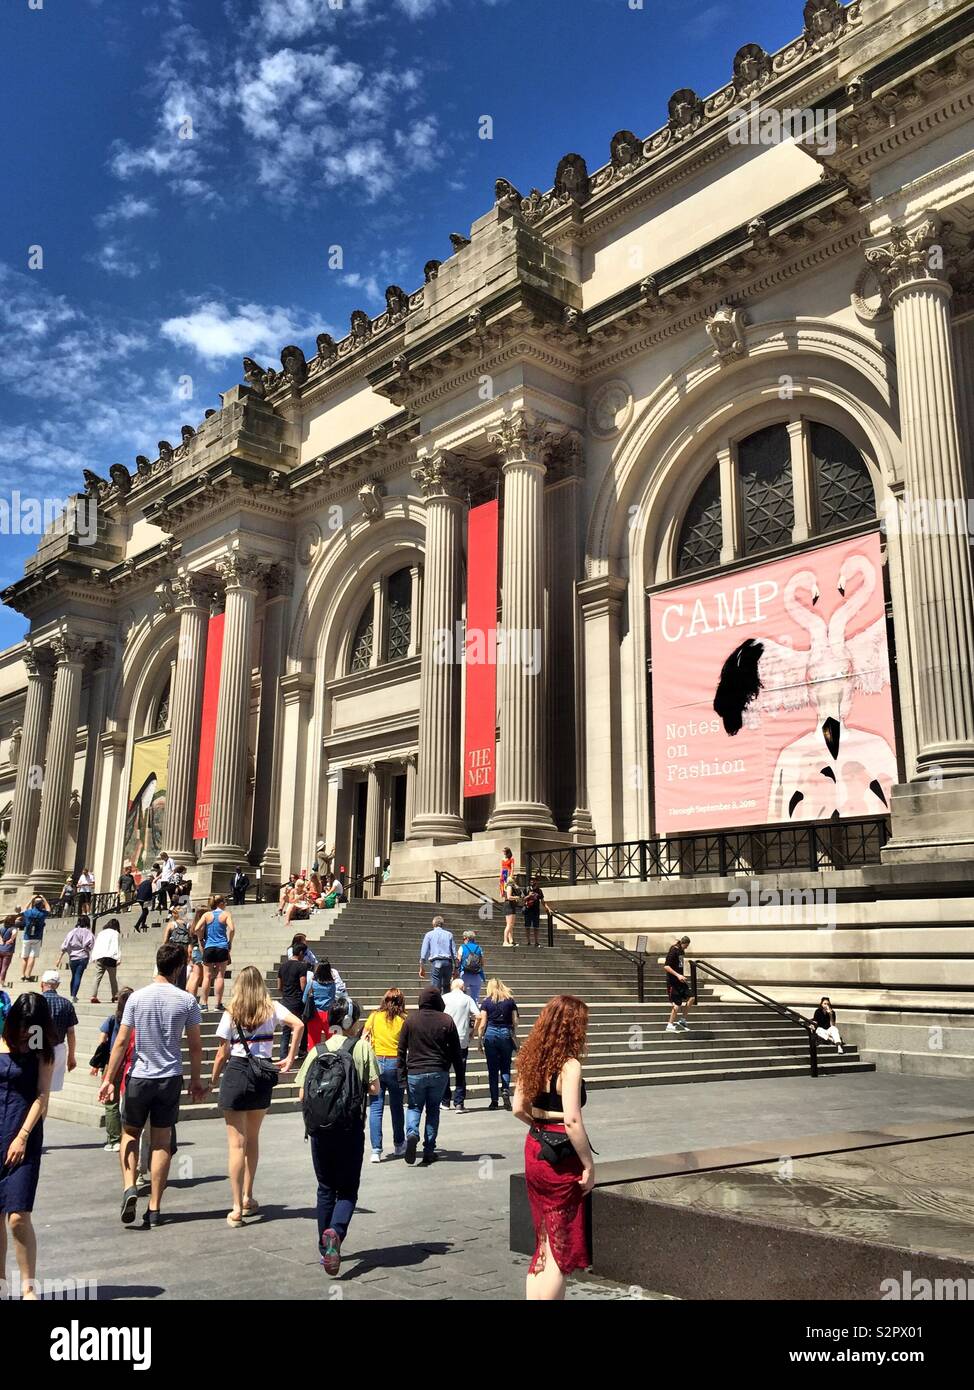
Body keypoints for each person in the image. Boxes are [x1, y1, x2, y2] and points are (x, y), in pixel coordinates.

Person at [99, 943, 205, 1229]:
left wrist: (109, 1079)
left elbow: (120, 1042)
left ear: (157, 963)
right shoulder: (187, 1001)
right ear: (179, 967)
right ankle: (155, 1207)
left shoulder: (136, 998)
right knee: (161, 1142)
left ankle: (129, 1186)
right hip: (169, 1077)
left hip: (139, 1076)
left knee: (130, 1133)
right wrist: (196, 1080)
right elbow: (195, 1046)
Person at [513, 994, 595, 1300]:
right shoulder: (569, 1065)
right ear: (572, 1028)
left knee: (544, 1241)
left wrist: (541, 1124)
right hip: (562, 1159)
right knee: (562, 1246)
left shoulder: (530, 1056)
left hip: (535, 1147)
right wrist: (589, 1164)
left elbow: (518, 1108)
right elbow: (573, 1121)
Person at [210, 965, 303, 1227]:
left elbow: (222, 1052)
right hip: (262, 1074)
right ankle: (248, 1196)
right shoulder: (271, 1007)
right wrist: (290, 1056)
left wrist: (213, 1079)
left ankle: (237, 1207)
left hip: (238, 1072)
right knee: (252, 1139)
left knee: (236, 1145)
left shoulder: (232, 1011)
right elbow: (298, 1024)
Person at [297, 997, 379, 1276]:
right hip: (350, 1129)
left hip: (319, 1130)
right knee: (347, 1189)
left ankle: (325, 1248)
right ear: (348, 1023)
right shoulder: (361, 1047)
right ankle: (336, 1231)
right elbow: (375, 1088)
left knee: (324, 1187)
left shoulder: (316, 1050)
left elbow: (301, 1093)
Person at [0, 992, 55, 1301]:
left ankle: (28, 1286)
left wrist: (22, 1136)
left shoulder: (42, 1053)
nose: (25, 1031)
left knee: (18, 1215)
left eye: (31, 1026)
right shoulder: (1, 1042)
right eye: (22, 1024)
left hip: (23, 1135)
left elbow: (42, 1096)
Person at [397, 984, 463, 1165]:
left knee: (414, 1107)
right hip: (439, 1071)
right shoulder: (446, 1020)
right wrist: (460, 1080)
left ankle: (411, 1133)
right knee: (433, 1110)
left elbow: (401, 1050)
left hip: (415, 1072)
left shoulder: (410, 1020)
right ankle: (429, 1150)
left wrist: (401, 1076)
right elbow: (456, 1052)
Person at [364, 988, 407, 1162]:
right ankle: (398, 1144)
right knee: (397, 1106)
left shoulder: (374, 1016)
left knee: (376, 1107)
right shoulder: (404, 1020)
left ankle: (376, 1149)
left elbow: (365, 1035)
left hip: (377, 1063)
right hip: (396, 1063)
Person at [91, 988, 133, 1153]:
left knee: (111, 1102)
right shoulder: (136, 1019)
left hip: (112, 1062)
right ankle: (127, 1133)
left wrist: (97, 1063)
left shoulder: (112, 1019)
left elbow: (103, 1041)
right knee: (128, 1100)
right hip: (131, 1061)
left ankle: (114, 1139)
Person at [478, 977, 519, 1110]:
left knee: (493, 1069)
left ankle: (494, 1101)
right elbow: (515, 1021)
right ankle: (505, 1090)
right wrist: (513, 1032)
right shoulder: (510, 1001)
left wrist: (479, 1040)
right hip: (506, 1033)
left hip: (490, 1033)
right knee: (505, 1066)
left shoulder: (486, 1002)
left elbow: (482, 1023)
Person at [443, 978, 481, 1113]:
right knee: (460, 1072)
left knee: (444, 1070)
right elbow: (479, 1015)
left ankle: (445, 1101)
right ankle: (459, 1103)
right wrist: (473, 1032)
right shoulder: (467, 999)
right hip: (462, 1039)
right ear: (463, 987)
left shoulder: (444, 998)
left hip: (445, 1040)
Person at [40, 971, 78, 1094]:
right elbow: (71, 1032)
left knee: (34, 1087)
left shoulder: (36, 1001)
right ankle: (42, 1113)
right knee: (47, 1090)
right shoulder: (67, 1004)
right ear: (57, 985)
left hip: (36, 1047)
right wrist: (71, 1056)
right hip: (58, 1049)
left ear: (42, 984)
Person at [197, 895, 235, 1012]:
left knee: (207, 976)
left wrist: (201, 939)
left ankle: (204, 1003)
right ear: (221, 903)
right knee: (220, 976)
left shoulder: (207, 915)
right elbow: (232, 929)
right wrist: (229, 942)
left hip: (209, 947)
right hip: (222, 946)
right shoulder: (226, 914)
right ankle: (218, 1004)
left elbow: (197, 928)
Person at [277, 942, 309, 1061]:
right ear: (300, 953)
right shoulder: (302, 966)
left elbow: (279, 986)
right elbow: (303, 985)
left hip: (285, 1001)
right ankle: (301, 1051)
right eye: (304, 954)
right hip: (297, 1002)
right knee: (302, 1026)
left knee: (285, 1031)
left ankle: (283, 1056)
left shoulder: (283, 966)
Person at [302, 960, 340, 1050]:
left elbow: (304, 999)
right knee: (332, 1042)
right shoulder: (332, 984)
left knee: (313, 1042)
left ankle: (314, 1060)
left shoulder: (312, 983)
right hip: (329, 1015)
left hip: (314, 1014)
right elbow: (333, 997)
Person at [57, 913, 95, 1002]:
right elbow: (90, 944)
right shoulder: (87, 932)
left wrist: (60, 957)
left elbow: (65, 945)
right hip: (83, 956)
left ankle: (72, 994)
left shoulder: (72, 932)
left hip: (72, 957)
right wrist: (86, 948)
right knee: (78, 975)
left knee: (73, 976)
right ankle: (74, 995)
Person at [419, 914, 456, 995]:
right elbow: (454, 952)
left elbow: (423, 953)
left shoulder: (429, 934)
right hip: (448, 963)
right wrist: (456, 967)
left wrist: (422, 967)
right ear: (442, 924)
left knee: (435, 988)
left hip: (436, 963)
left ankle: (437, 1005)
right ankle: (446, 1005)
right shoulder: (449, 934)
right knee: (447, 987)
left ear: (433, 924)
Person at [663, 935, 694, 1033]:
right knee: (677, 1005)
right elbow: (666, 966)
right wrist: (678, 975)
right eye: (686, 945)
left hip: (680, 981)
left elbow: (680, 965)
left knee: (692, 997)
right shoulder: (673, 951)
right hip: (673, 982)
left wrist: (682, 976)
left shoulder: (681, 951)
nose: (687, 947)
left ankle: (682, 1020)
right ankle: (670, 1024)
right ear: (683, 943)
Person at [18, 895, 50, 983]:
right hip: (37, 937)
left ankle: (22, 975)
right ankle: (28, 976)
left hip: (27, 936)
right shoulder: (42, 913)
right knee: (32, 957)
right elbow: (48, 909)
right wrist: (44, 899)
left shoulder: (29, 912)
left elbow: (23, 909)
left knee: (24, 957)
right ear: (41, 904)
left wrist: (31, 899)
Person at [163, 904, 194, 991]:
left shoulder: (171, 924)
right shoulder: (188, 925)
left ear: (174, 914)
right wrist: (189, 953)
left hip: (172, 951)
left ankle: (171, 989)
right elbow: (191, 940)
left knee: (171, 971)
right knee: (182, 973)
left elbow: (165, 940)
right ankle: (180, 990)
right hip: (183, 951)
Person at [457, 929, 486, 1003]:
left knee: (461, 996)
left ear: (467, 938)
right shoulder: (478, 948)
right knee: (475, 998)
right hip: (476, 975)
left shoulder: (462, 947)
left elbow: (458, 960)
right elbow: (482, 962)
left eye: (464, 938)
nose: (463, 940)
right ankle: (474, 1013)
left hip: (464, 974)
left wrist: (456, 971)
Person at [522, 877, 545, 948]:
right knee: (527, 926)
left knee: (536, 927)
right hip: (528, 910)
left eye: (533, 881)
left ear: (536, 882)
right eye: (531, 881)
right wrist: (529, 895)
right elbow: (522, 899)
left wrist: (547, 908)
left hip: (536, 910)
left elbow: (542, 900)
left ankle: (536, 942)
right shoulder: (526, 889)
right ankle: (528, 941)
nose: (532, 882)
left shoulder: (539, 890)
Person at [0, 915, 19, 987]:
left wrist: (1, 940)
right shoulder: (13, 928)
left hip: (0, 948)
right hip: (8, 951)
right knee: (4, 967)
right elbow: (14, 933)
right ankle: (2, 982)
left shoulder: (2, 928)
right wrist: (11, 939)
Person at [502, 876, 521, 947]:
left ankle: (511, 941)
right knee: (509, 924)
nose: (515, 879)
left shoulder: (512, 887)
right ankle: (505, 941)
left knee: (511, 925)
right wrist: (516, 897)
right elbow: (509, 897)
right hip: (509, 906)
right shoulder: (509, 886)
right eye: (514, 878)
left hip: (512, 906)